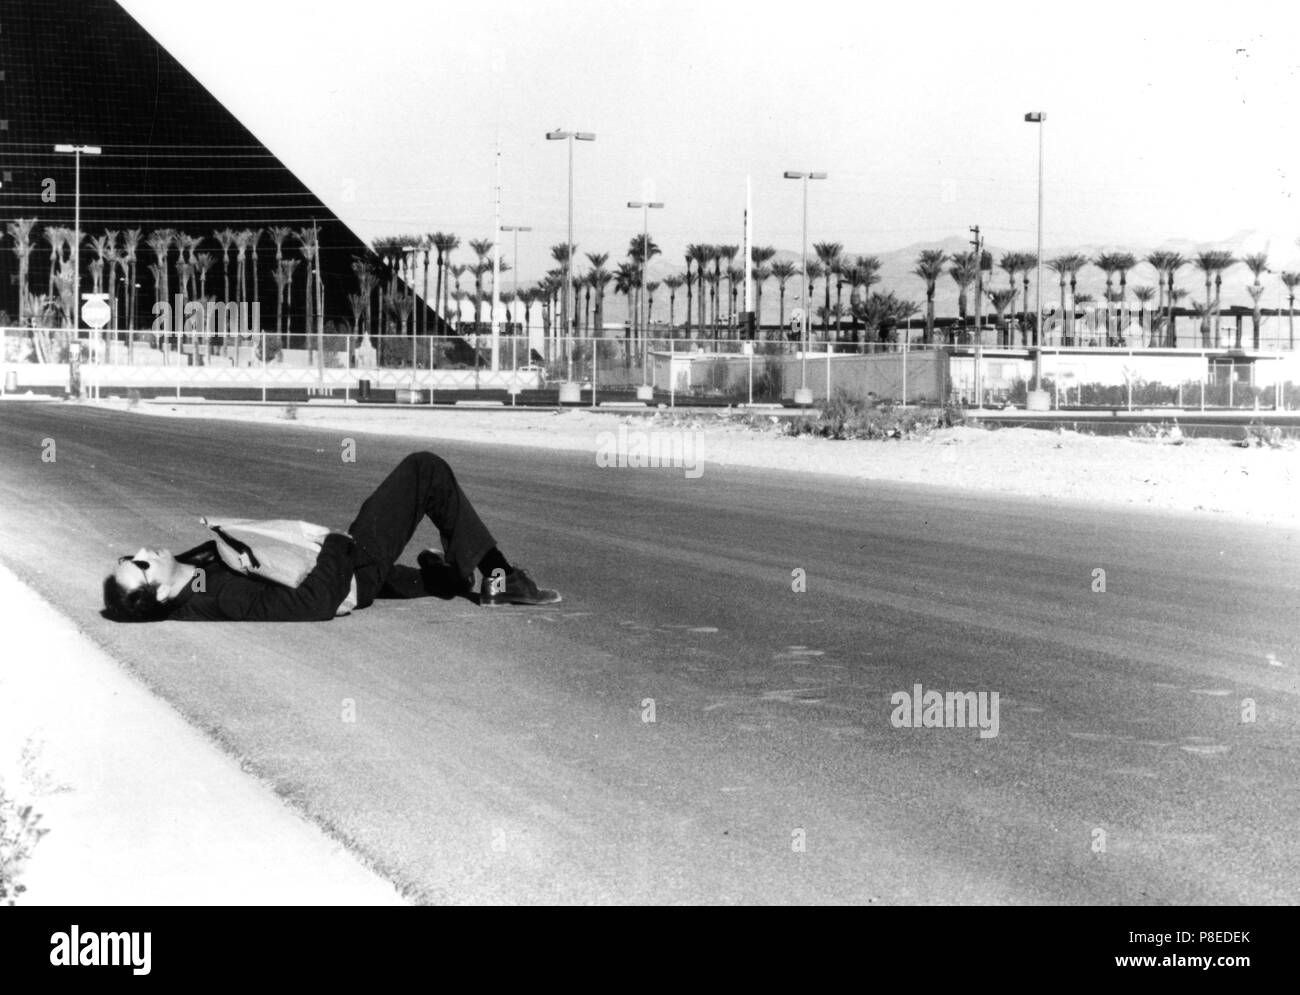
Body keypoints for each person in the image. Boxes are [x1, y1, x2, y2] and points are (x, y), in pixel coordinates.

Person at [102, 451, 559, 622]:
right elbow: (311, 605)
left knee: (427, 578)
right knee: (425, 470)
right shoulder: (220, 599)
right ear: (159, 592)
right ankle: (498, 577)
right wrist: (339, 545)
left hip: (347, 570)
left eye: (131, 554)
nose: (143, 552)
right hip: (349, 571)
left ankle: (448, 578)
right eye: (141, 565)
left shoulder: (190, 578)